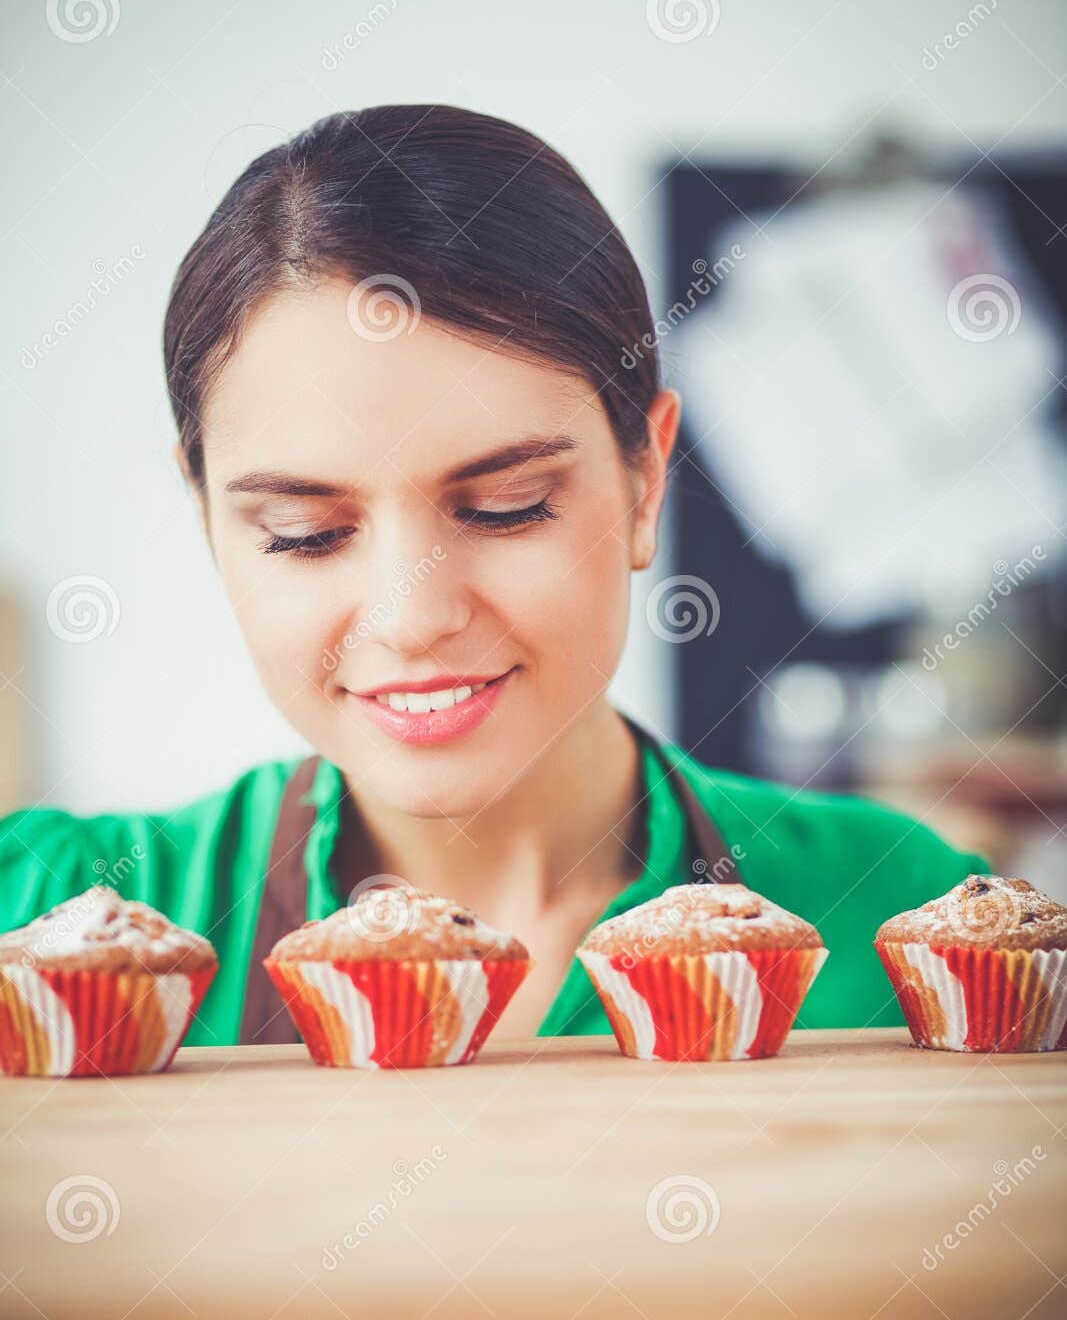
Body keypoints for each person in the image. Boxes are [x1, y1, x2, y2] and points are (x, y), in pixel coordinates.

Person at [0, 106, 986, 1047]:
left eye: (505, 506)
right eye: (303, 532)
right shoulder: (31, 905)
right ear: (208, 518)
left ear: (644, 481)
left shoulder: (910, 917)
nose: (412, 617)